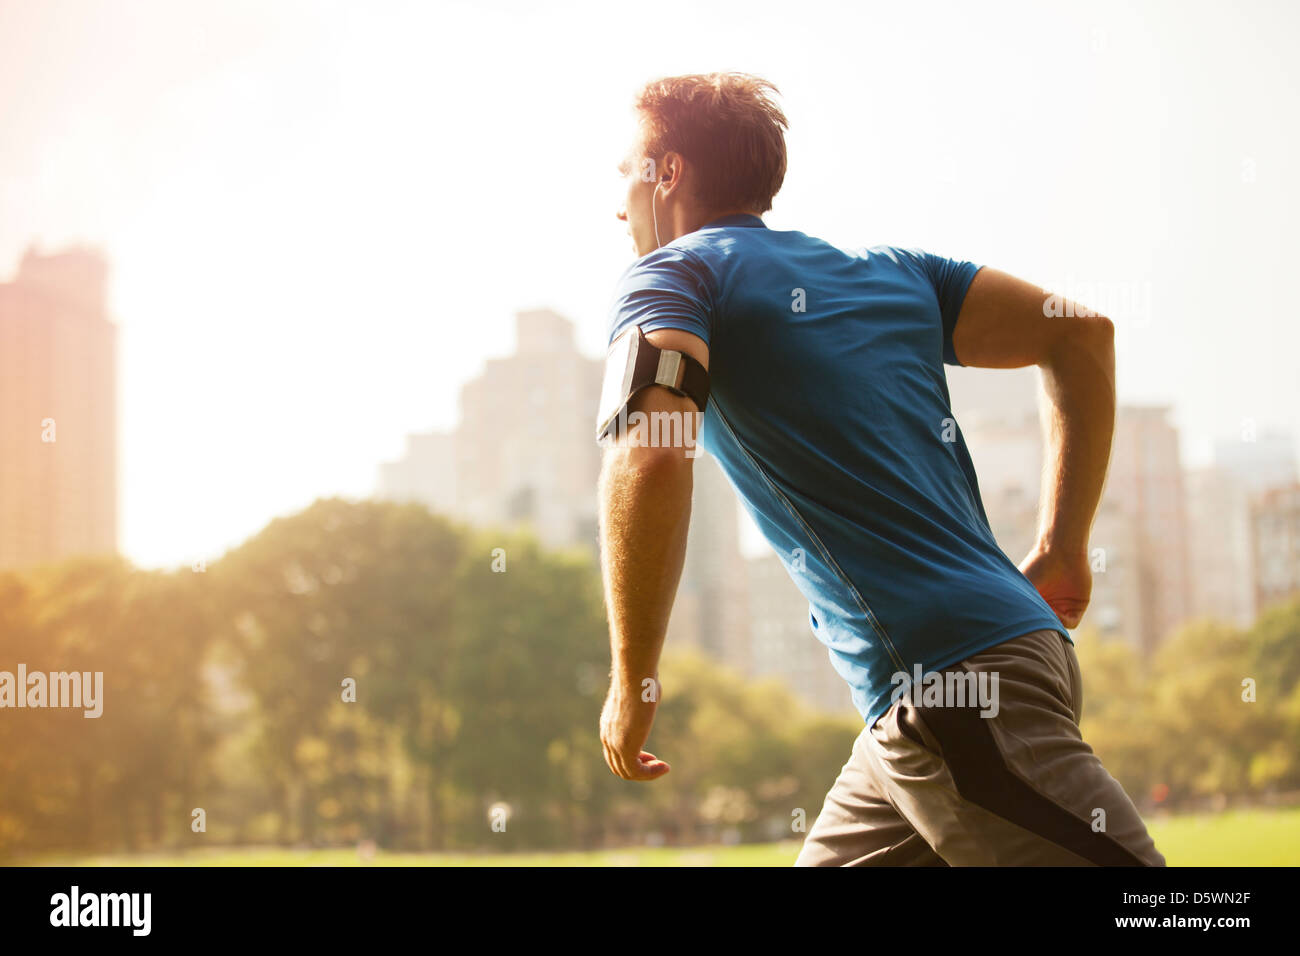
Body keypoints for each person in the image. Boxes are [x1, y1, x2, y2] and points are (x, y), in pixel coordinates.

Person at [596, 71, 1165, 866]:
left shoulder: (675, 275)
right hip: (972, 672)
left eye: (624, 173)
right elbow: (1082, 336)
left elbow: (652, 455)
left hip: (949, 685)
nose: (616, 204)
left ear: (668, 173)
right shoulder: (896, 271)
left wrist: (633, 679)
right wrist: (1065, 546)